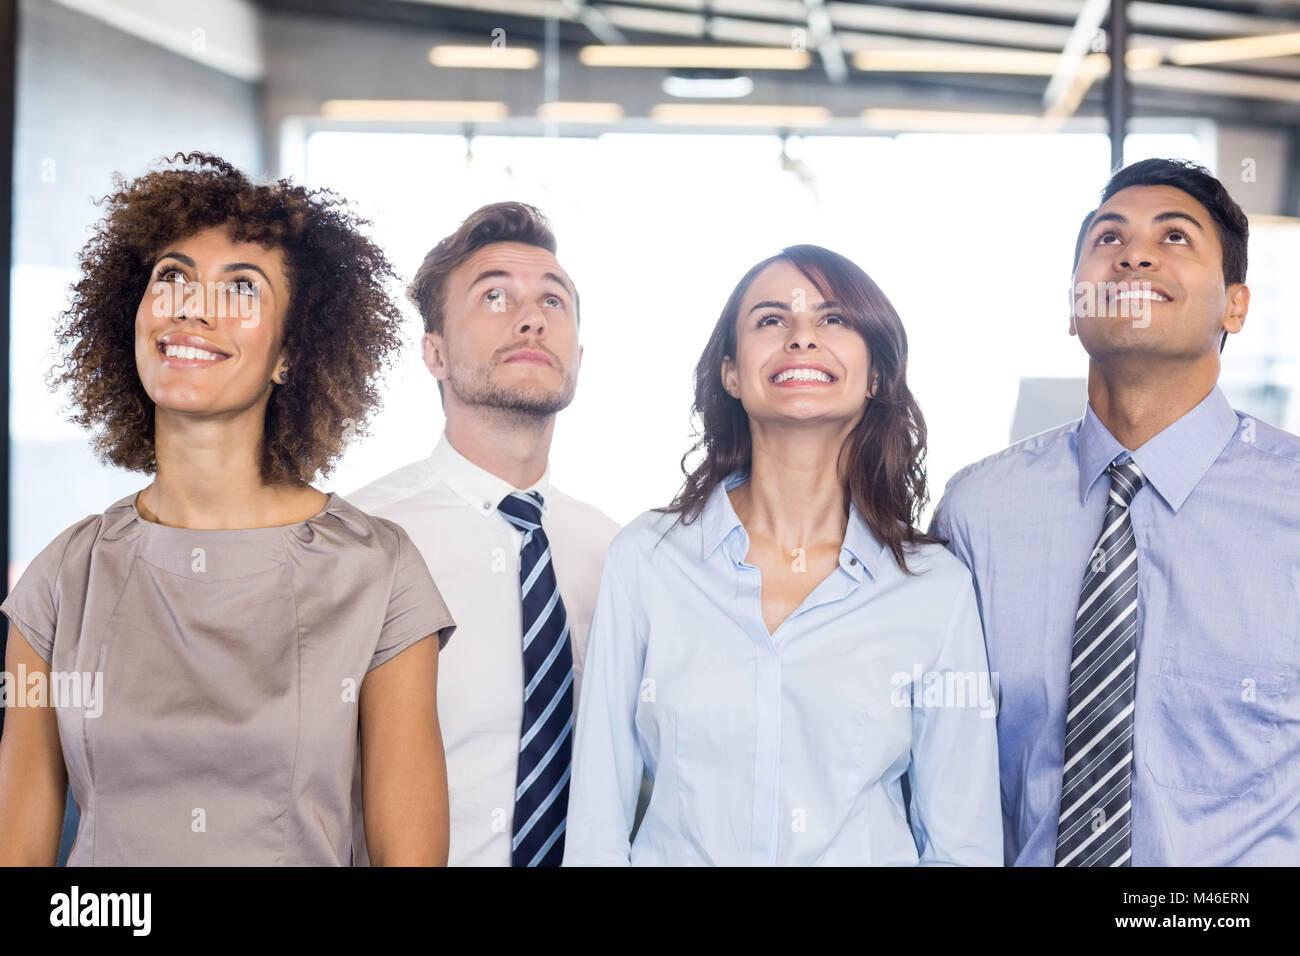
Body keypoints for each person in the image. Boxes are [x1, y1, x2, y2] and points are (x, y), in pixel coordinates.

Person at [0, 152, 455, 866]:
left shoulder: (379, 573)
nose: (193, 306)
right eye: (172, 277)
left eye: (241, 288)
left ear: (290, 353)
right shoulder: (64, 578)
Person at [563, 244, 1002, 866]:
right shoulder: (647, 560)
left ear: (875, 374)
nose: (801, 339)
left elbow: (963, 846)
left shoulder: (934, 588)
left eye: (833, 320)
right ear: (732, 374)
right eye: (772, 320)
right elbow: (597, 831)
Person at [931, 158, 1300, 866]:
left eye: (1176, 238)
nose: (1133, 254)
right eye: (1108, 239)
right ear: (1074, 307)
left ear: (1236, 306)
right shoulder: (978, 513)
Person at [347, 202, 619, 867]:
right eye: (494, 296)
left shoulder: (616, 555)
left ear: (577, 357)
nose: (531, 317)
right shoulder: (358, 542)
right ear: (434, 352)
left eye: (553, 301)